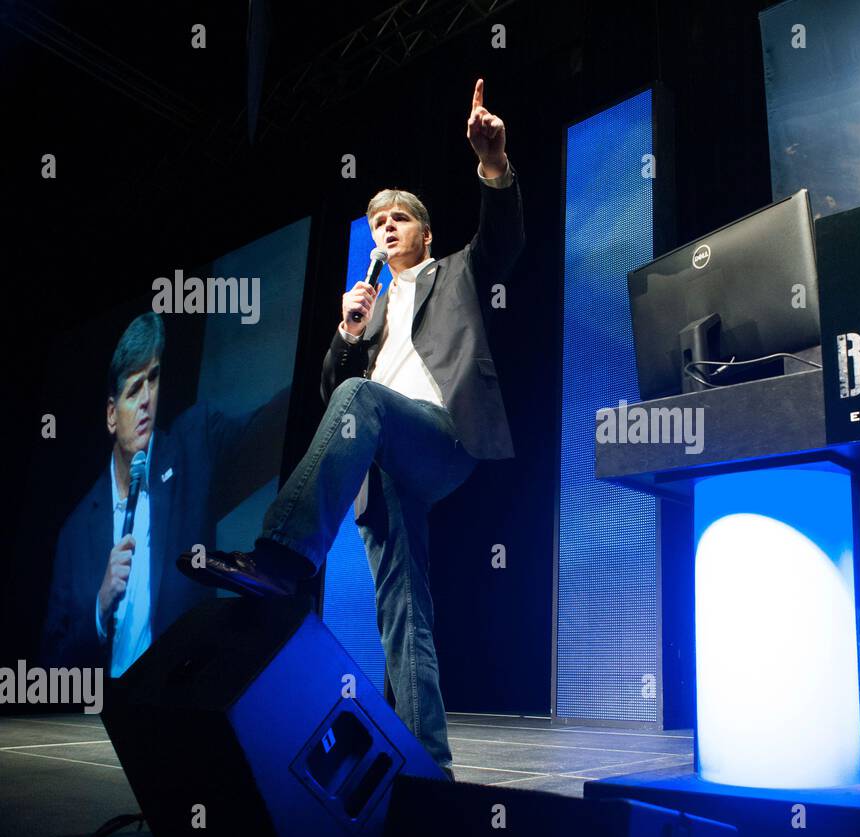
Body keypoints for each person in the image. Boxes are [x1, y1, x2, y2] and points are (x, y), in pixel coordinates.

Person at [177, 78, 525, 781]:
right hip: (382, 466)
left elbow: (505, 240)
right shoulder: (364, 306)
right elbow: (328, 398)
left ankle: (280, 559)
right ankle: (431, 770)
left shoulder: (455, 271)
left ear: (424, 233)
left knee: (363, 398)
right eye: (377, 222)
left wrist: (493, 164)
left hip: (443, 437)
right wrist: (345, 330)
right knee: (404, 613)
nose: (386, 227)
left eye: (399, 218)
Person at [41, 312, 289, 676]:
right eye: (132, 389)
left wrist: (338, 353)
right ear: (111, 415)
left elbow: (270, 427)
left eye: (152, 380)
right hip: (99, 717)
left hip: (175, 702)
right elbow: (51, 662)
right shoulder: (75, 531)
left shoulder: (194, 446)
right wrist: (99, 606)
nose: (145, 400)